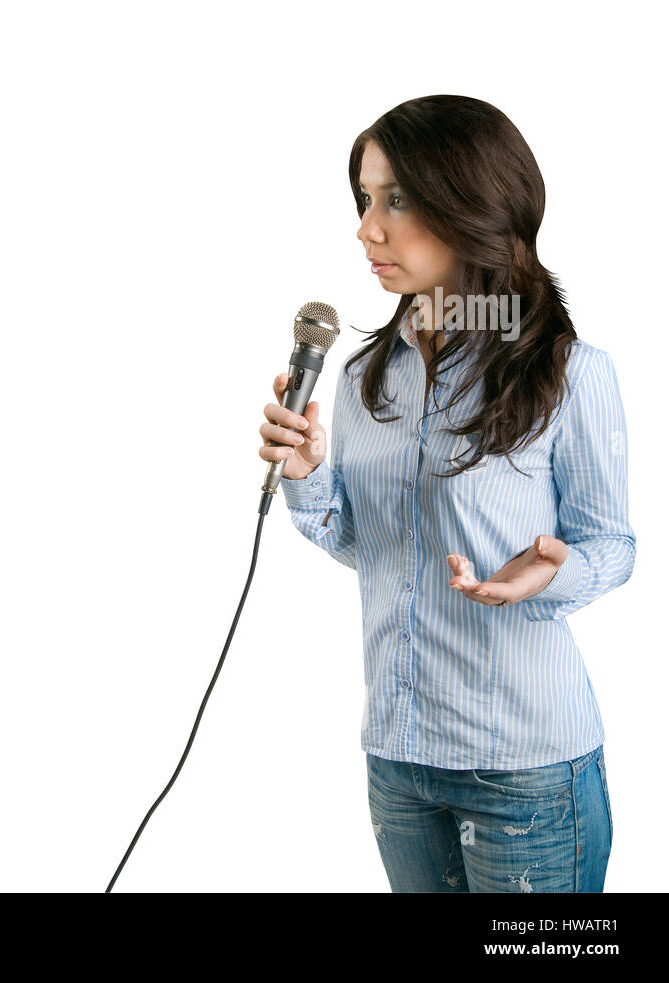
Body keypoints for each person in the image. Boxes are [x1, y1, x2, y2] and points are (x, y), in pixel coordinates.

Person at [258, 95, 634, 892]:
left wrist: (554, 573)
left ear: (474, 205)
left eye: (397, 199)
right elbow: (369, 542)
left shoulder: (573, 374)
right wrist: (309, 477)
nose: (368, 227)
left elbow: (614, 547)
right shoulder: (366, 376)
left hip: (524, 773)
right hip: (398, 763)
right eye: (364, 199)